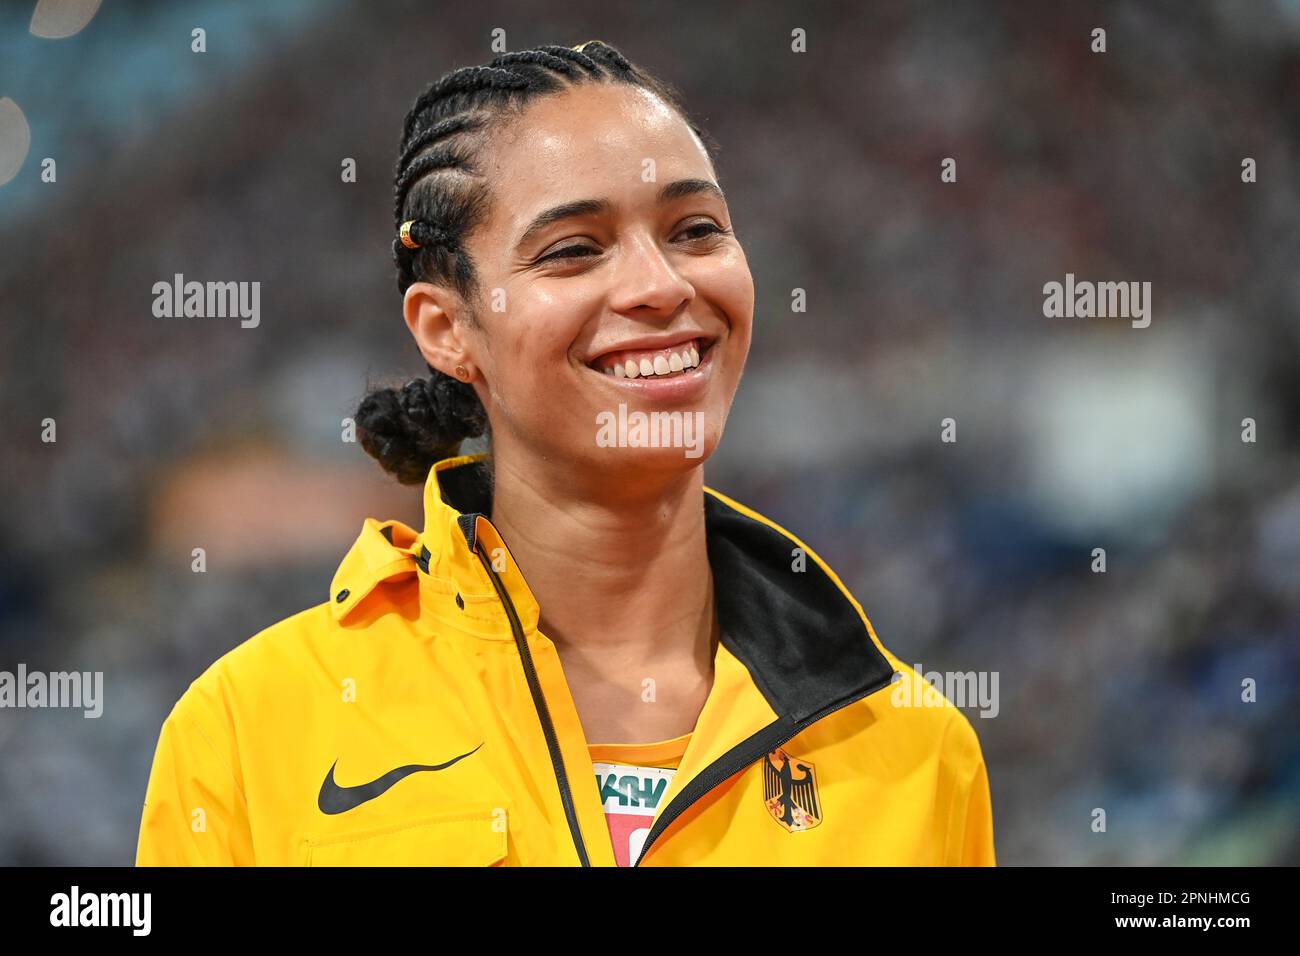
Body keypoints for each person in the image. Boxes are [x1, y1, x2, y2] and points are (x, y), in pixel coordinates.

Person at [136, 40, 995, 867]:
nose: (661, 286)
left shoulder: (911, 747)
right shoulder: (251, 730)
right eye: (574, 249)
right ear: (448, 329)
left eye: (696, 229)